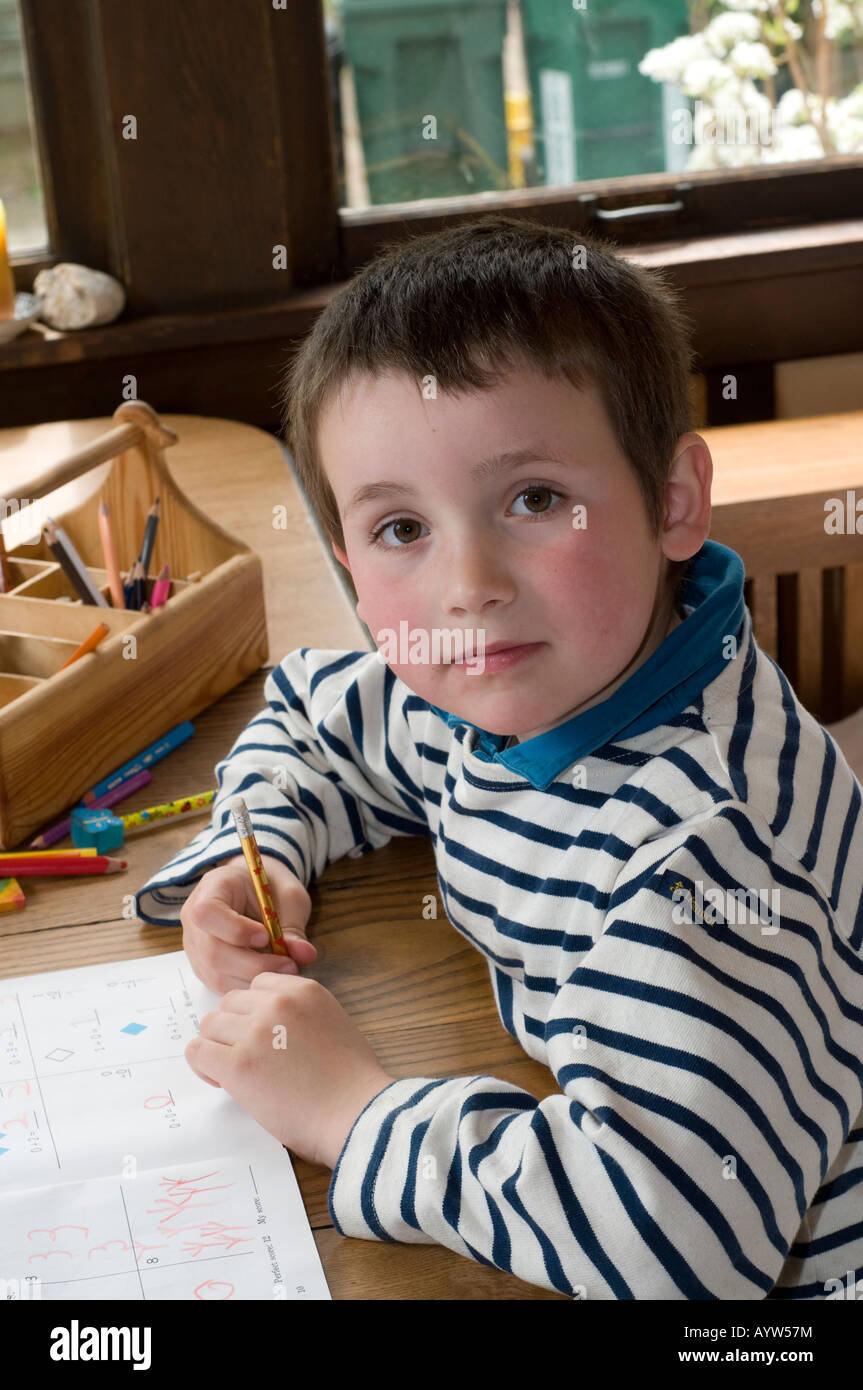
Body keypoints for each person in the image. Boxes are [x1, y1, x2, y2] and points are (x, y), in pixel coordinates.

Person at [136, 214, 863, 1300]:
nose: (466, 581)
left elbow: (669, 1253)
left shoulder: (704, 856)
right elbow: (311, 717)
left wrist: (354, 1110)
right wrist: (260, 854)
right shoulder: (484, 677)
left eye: (531, 500)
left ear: (672, 501)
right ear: (345, 556)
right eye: (399, 530)